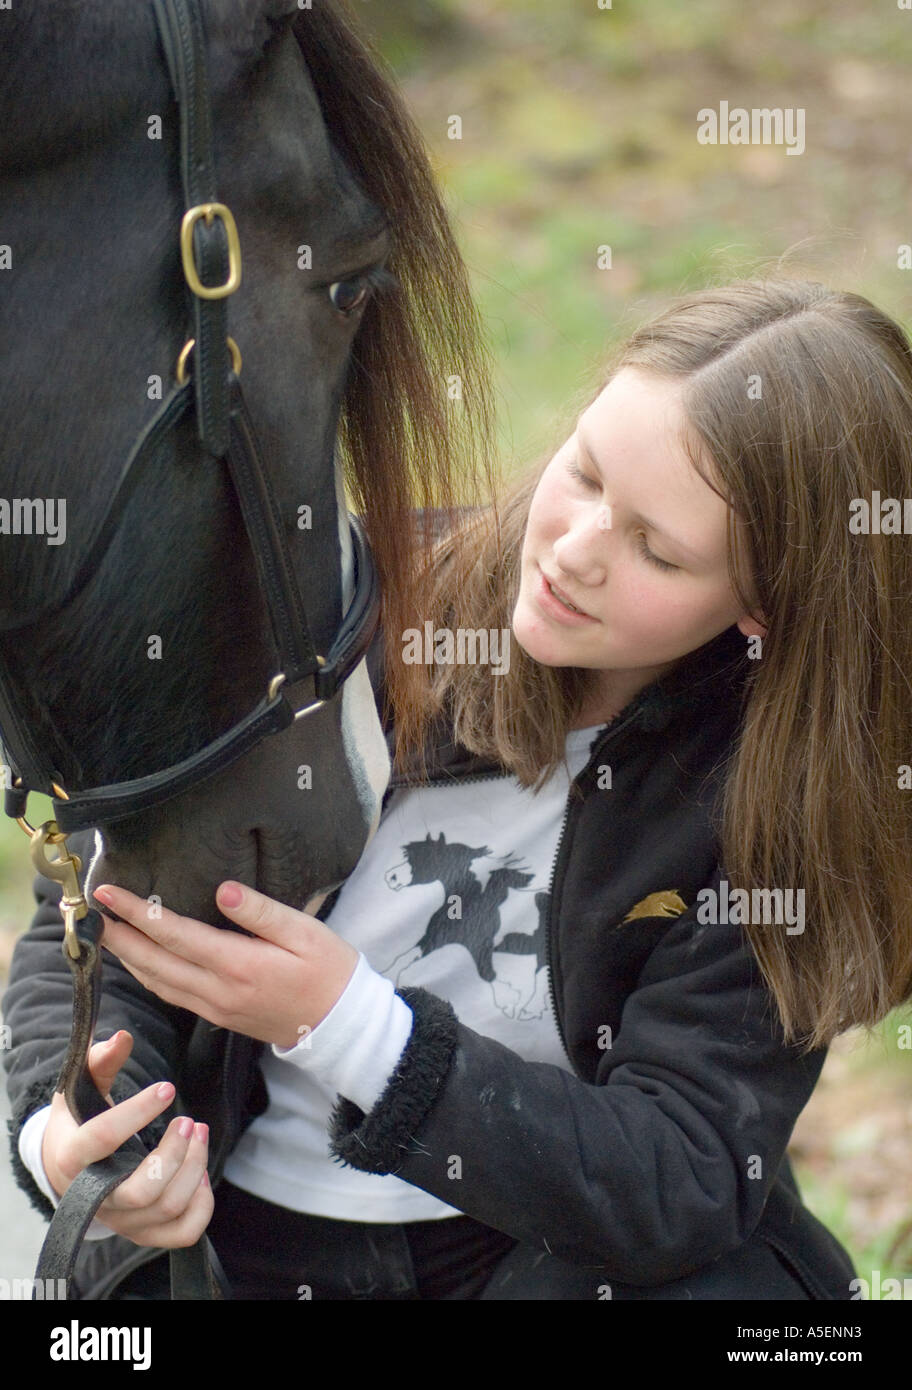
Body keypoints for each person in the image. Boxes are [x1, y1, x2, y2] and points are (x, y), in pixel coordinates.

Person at [6, 276, 911, 1300]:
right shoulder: (351, 611)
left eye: (656, 548)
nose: (571, 552)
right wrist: (78, 1130)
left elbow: (682, 1172)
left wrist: (347, 1022)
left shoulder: (784, 805)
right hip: (239, 1241)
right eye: (584, 472)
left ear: (766, 608)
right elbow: (105, 913)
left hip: (536, 1259)